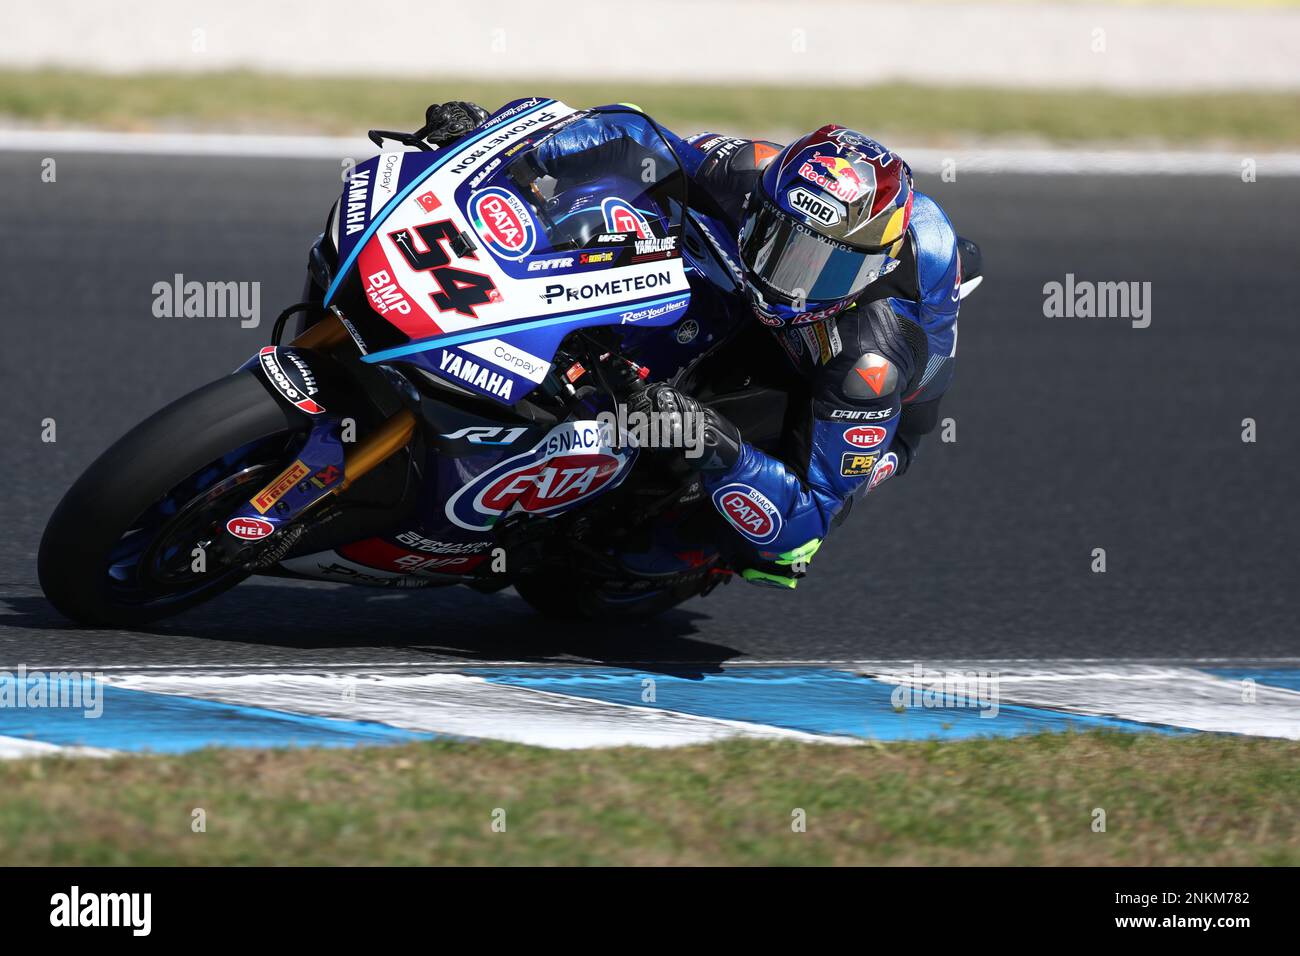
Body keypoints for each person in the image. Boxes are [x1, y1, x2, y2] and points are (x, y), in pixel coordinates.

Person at [422, 102, 965, 589]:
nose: (790, 279)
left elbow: (806, 521)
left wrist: (713, 440)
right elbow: (633, 139)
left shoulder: (870, 361)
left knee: (766, 551)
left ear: (871, 270)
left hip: (863, 390)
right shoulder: (746, 171)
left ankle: (663, 547)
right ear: (761, 205)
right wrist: (499, 149)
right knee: (643, 225)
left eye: (827, 268)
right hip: (747, 284)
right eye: (778, 242)